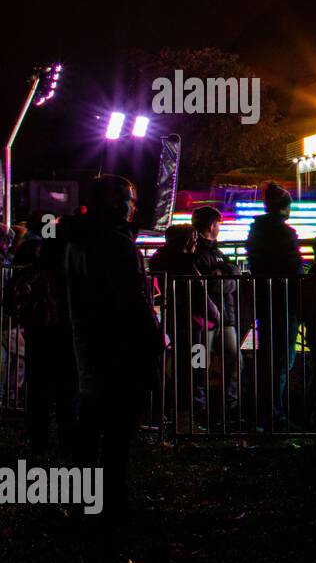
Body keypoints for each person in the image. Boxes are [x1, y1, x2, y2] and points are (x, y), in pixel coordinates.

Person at [62, 175, 163, 530]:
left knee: (91, 422)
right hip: (120, 346)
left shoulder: (78, 241)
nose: (133, 206)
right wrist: (153, 339)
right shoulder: (117, 245)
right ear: (113, 203)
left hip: (90, 341)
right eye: (128, 199)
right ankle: (110, 502)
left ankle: (85, 498)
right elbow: (133, 300)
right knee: (118, 429)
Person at [5, 213, 77, 453]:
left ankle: (39, 438)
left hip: (39, 332)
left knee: (39, 388)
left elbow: (11, 300)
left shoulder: (33, 267)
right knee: (67, 389)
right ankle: (67, 438)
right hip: (64, 333)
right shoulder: (69, 269)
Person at [149, 224, 218, 430]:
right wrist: (215, 314)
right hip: (194, 326)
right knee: (196, 369)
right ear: (188, 241)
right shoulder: (187, 265)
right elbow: (199, 297)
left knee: (180, 369)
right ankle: (188, 419)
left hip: (174, 322)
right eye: (194, 238)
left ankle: (178, 417)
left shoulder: (161, 261)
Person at [246, 183, 304, 427]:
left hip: (265, 299)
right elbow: (294, 266)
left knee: (269, 356)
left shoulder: (256, 231)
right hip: (284, 299)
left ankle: (263, 410)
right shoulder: (284, 233)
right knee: (281, 359)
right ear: (284, 207)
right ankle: (275, 413)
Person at [191, 205, 241, 421]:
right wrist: (226, 277)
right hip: (209, 318)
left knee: (204, 361)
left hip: (214, 318)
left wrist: (224, 275)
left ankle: (202, 406)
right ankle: (217, 406)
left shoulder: (209, 252)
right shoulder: (206, 253)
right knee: (205, 361)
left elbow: (228, 277)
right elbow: (224, 283)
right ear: (212, 225)